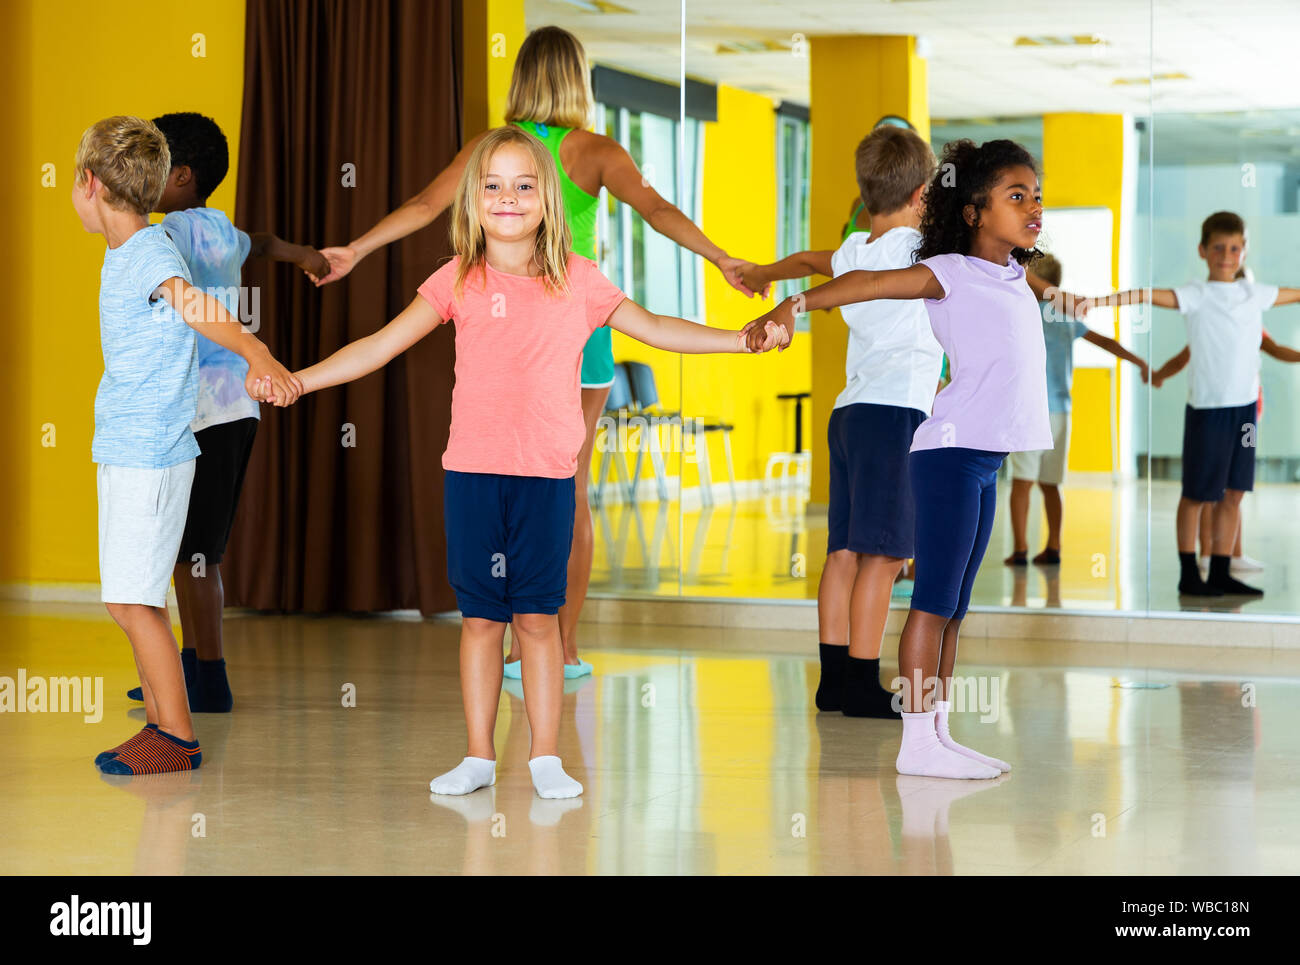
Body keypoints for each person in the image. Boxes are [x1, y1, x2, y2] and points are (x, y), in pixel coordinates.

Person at [263, 127, 787, 798]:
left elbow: (657, 329)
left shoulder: (582, 281)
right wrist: (300, 380)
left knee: (538, 620)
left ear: (548, 199)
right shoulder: (457, 278)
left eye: (523, 185)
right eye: (492, 185)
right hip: (473, 478)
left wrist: (743, 341)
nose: (507, 197)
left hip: (546, 480)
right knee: (481, 620)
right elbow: (380, 345)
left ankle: (544, 755)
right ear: (472, 201)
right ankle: (479, 754)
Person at [308, 26, 763, 681]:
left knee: (504, 479)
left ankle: (522, 644)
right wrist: (719, 258)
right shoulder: (596, 151)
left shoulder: (492, 152)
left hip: (533, 325)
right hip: (582, 329)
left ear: (520, 77)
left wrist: (357, 248)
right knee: (568, 489)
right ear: (579, 79)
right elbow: (657, 210)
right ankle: (560, 644)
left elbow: (423, 205)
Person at [746, 138, 1060, 779]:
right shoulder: (948, 269)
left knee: (956, 608)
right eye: (1017, 196)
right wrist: (793, 302)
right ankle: (916, 745)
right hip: (946, 456)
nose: (1033, 209)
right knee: (933, 603)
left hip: (984, 460)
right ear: (973, 212)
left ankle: (937, 731)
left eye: (1037, 198)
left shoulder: (1008, 274)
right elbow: (867, 282)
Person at [71, 115, 298, 775]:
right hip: (129, 446)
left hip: (154, 452)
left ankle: (175, 733)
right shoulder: (134, 248)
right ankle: (162, 723)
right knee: (130, 594)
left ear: (88, 184)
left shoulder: (150, 249)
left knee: (133, 599)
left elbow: (196, 306)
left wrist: (256, 350)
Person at [122, 112, 329, 712]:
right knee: (195, 549)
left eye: (152, 166)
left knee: (193, 555)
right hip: (238, 405)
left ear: (179, 175)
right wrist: (304, 256)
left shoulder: (172, 234)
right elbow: (259, 243)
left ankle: (209, 677)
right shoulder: (220, 228)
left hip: (201, 409)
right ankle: (188, 667)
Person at [742, 125, 941, 718]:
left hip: (850, 414)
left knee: (843, 554)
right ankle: (859, 682)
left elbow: (813, 259)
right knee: (883, 556)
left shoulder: (857, 246)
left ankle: (834, 681)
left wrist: (766, 274)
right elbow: (847, 282)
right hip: (896, 412)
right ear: (921, 194)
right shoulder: (920, 252)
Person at [1086, 211, 1300, 597]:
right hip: (1207, 410)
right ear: (1203, 251)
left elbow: (1296, 293)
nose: (1226, 254)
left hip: (1245, 411)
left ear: (1244, 250)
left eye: (1234, 247)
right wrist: (1099, 301)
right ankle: (1189, 573)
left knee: (1234, 493)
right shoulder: (1195, 294)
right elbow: (1146, 295)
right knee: (1198, 494)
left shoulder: (1256, 294)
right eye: (1218, 247)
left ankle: (1220, 570)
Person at [1003, 254, 1149, 567]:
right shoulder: (1065, 315)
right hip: (1060, 412)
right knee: (1051, 484)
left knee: (1022, 483)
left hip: (1028, 409)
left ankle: (1020, 549)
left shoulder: (1023, 312)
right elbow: (1106, 342)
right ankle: (1054, 546)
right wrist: (1140, 363)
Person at [1153, 327, 1300, 576]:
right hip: (1217, 414)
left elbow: (1275, 350)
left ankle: (1234, 554)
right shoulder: (1211, 327)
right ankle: (1208, 554)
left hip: (1249, 418)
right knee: (1213, 489)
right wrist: (1159, 375)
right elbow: (1183, 358)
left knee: (1235, 488)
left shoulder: (1253, 326)